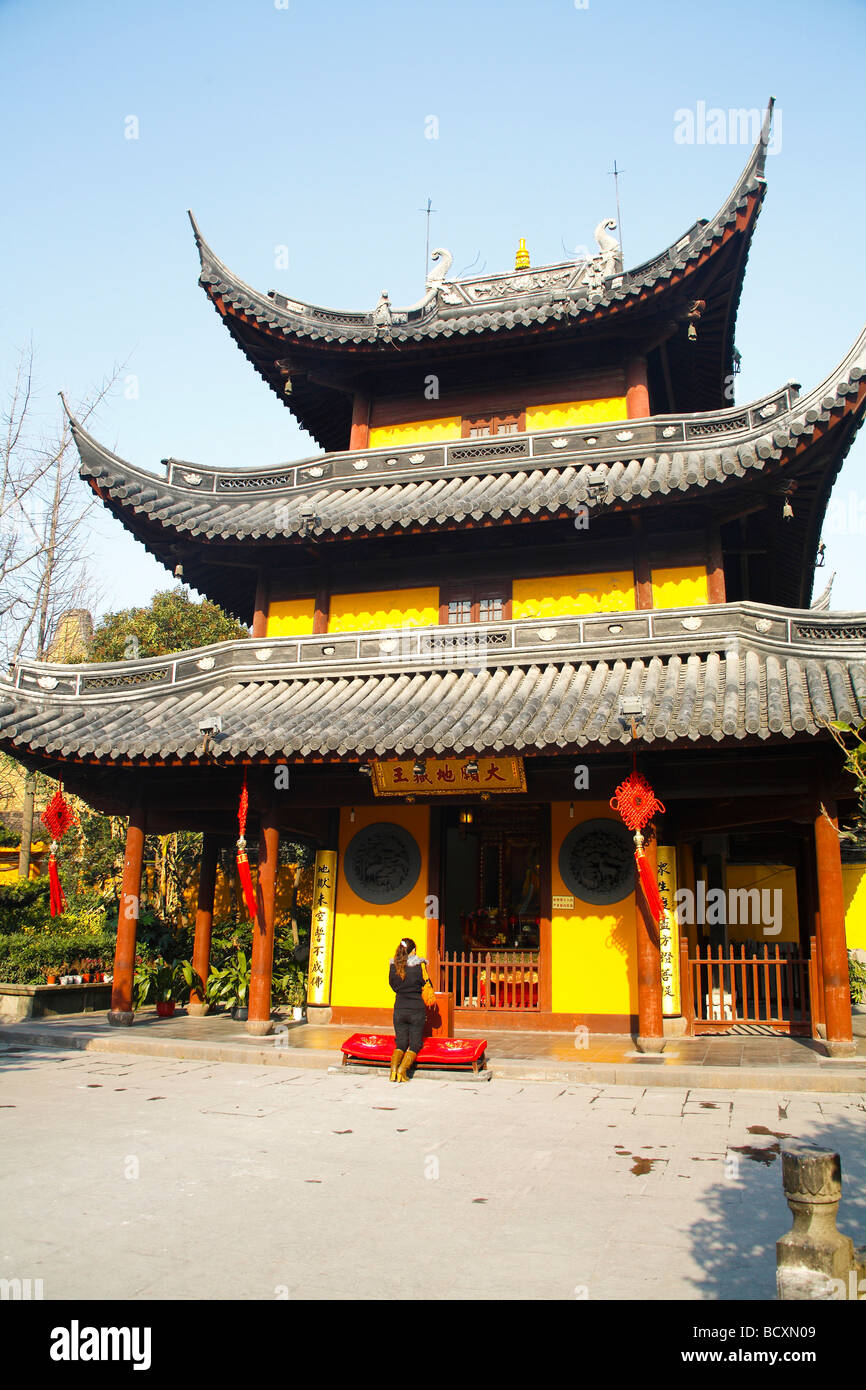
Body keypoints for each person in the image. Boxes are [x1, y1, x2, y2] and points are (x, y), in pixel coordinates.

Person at [388, 937, 429, 1082]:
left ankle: (393, 1070)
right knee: (415, 1043)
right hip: (416, 1008)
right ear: (413, 951)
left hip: (399, 1008)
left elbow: (392, 985)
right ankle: (402, 1070)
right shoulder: (420, 966)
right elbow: (426, 983)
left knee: (401, 1043)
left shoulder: (394, 966)